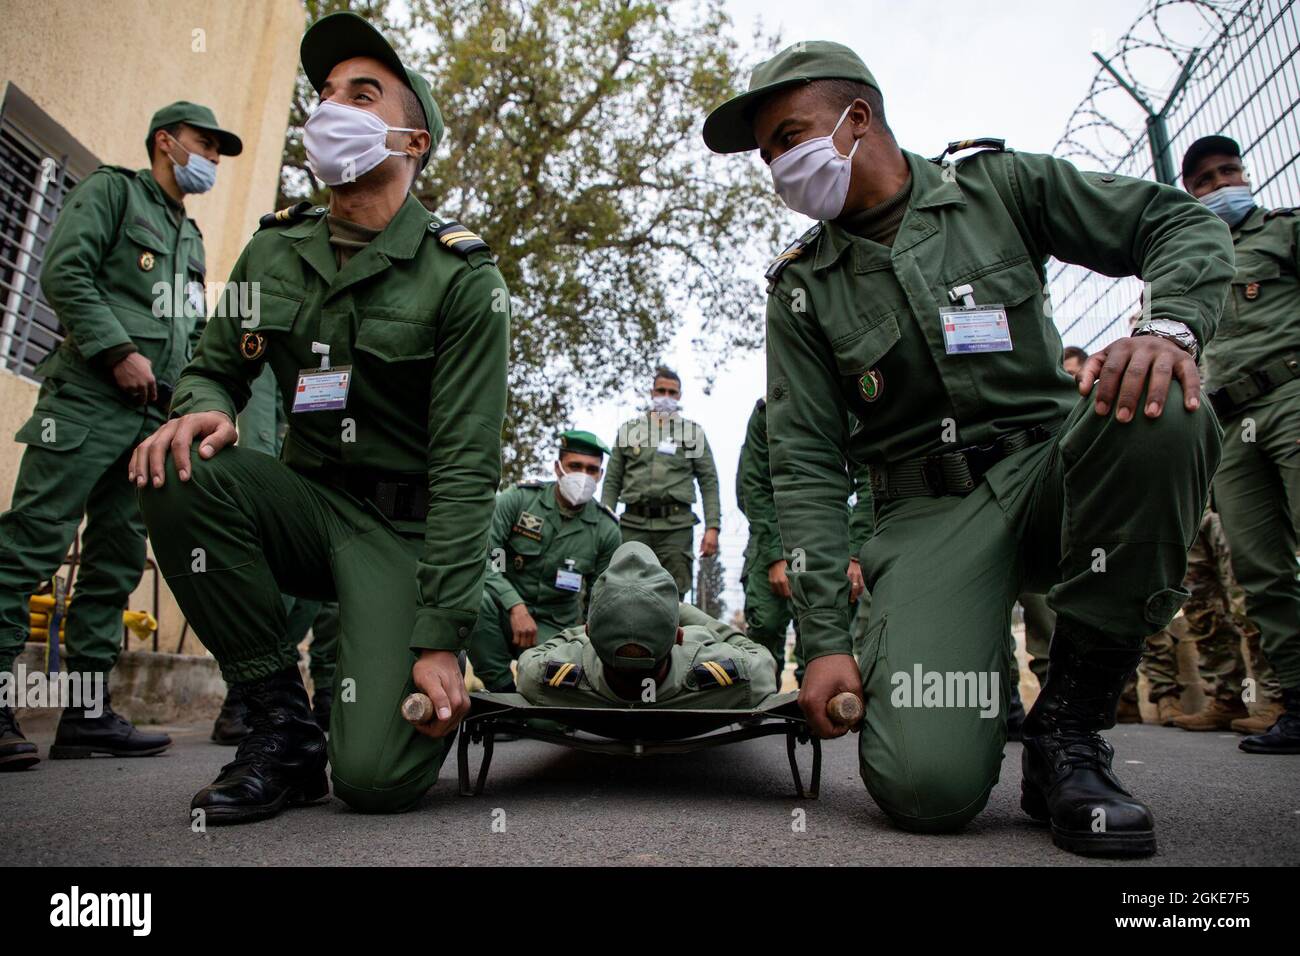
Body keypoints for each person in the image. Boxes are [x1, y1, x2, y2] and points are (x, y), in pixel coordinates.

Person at [703, 41, 1232, 856]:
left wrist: (1168, 328)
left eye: (789, 135)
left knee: (1161, 404)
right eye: (769, 152)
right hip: (925, 514)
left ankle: (1071, 729)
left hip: (1057, 472)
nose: (779, 164)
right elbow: (804, 463)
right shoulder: (803, 290)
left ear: (858, 118)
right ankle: (983, 721)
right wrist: (826, 645)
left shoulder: (1001, 188)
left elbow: (1174, 221)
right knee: (926, 789)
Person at [129, 11, 509, 822]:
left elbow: (469, 469)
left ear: (411, 142)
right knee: (177, 462)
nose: (330, 107)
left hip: (404, 535)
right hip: (308, 506)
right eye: (325, 92)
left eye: (361, 95)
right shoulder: (273, 251)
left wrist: (437, 636)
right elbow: (208, 368)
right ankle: (281, 725)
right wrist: (201, 410)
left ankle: (427, 663)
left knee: (375, 781)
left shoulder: (463, 279)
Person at [0, 101, 242, 770]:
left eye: (221, 151)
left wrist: (192, 402)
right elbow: (64, 273)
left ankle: (85, 715)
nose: (214, 160)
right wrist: (115, 350)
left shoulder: (189, 240)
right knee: (32, 542)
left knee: (113, 563)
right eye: (206, 145)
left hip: (150, 423)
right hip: (86, 399)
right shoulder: (111, 191)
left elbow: (194, 334)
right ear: (165, 142)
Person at [1181, 134, 1300, 754]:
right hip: (1228, 424)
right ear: (1188, 192)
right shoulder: (1189, 263)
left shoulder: (1283, 233)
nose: (1222, 184)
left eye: (1230, 170)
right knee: (1259, 567)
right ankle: (1296, 699)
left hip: (1291, 393)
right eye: (1205, 179)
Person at [209, 367, 341, 744]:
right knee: (276, 594)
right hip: (280, 480)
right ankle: (245, 697)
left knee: (327, 601)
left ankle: (327, 694)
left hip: (327, 486)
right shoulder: (270, 345)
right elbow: (260, 427)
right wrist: (263, 496)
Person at [517, 542, 777, 708]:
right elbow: (763, 663)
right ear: (678, 635)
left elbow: (528, 663)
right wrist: (694, 617)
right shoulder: (719, 668)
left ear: (589, 633)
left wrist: (583, 631)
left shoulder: (548, 677)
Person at [466, 430, 621, 692]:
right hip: (504, 614)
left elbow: (600, 597)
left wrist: (584, 645)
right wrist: (515, 606)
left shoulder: (606, 529)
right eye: (575, 466)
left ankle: (539, 710)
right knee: (473, 600)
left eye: (592, 469)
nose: (583, 475)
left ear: (601, 475)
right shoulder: (519, 500)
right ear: (558, 467)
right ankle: (503, 694)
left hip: (557, 629)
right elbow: (484, 557)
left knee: (550, 722)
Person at [736, 397, 870, 682]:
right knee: (765, 626)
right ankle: (762, 711)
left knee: (826, 634)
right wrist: (775, 555)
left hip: (832, 533)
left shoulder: (848, 410)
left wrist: (856, 554)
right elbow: (752, 487)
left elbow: (869, 480)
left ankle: (817, 720)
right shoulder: (766, 414)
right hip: (774, 529)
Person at [601, 367, 720, 597]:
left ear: (679, 396)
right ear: (651, 392)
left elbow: (709, 482)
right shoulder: (629, 430)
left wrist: (712, 528)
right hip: (633, 526)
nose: (666, 397)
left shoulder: (693, 433)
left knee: (674, 594)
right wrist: (604, 523)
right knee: (624, 590)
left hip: (676, 528)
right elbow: (612, 481)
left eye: (672, 392)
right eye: (661, 390)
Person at [1171, 508, 1283, 732]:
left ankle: (1279, 701)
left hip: (1229, 509)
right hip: (1190, 511)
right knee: (1201, 608)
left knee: (1249, 601)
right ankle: (1226, 698)